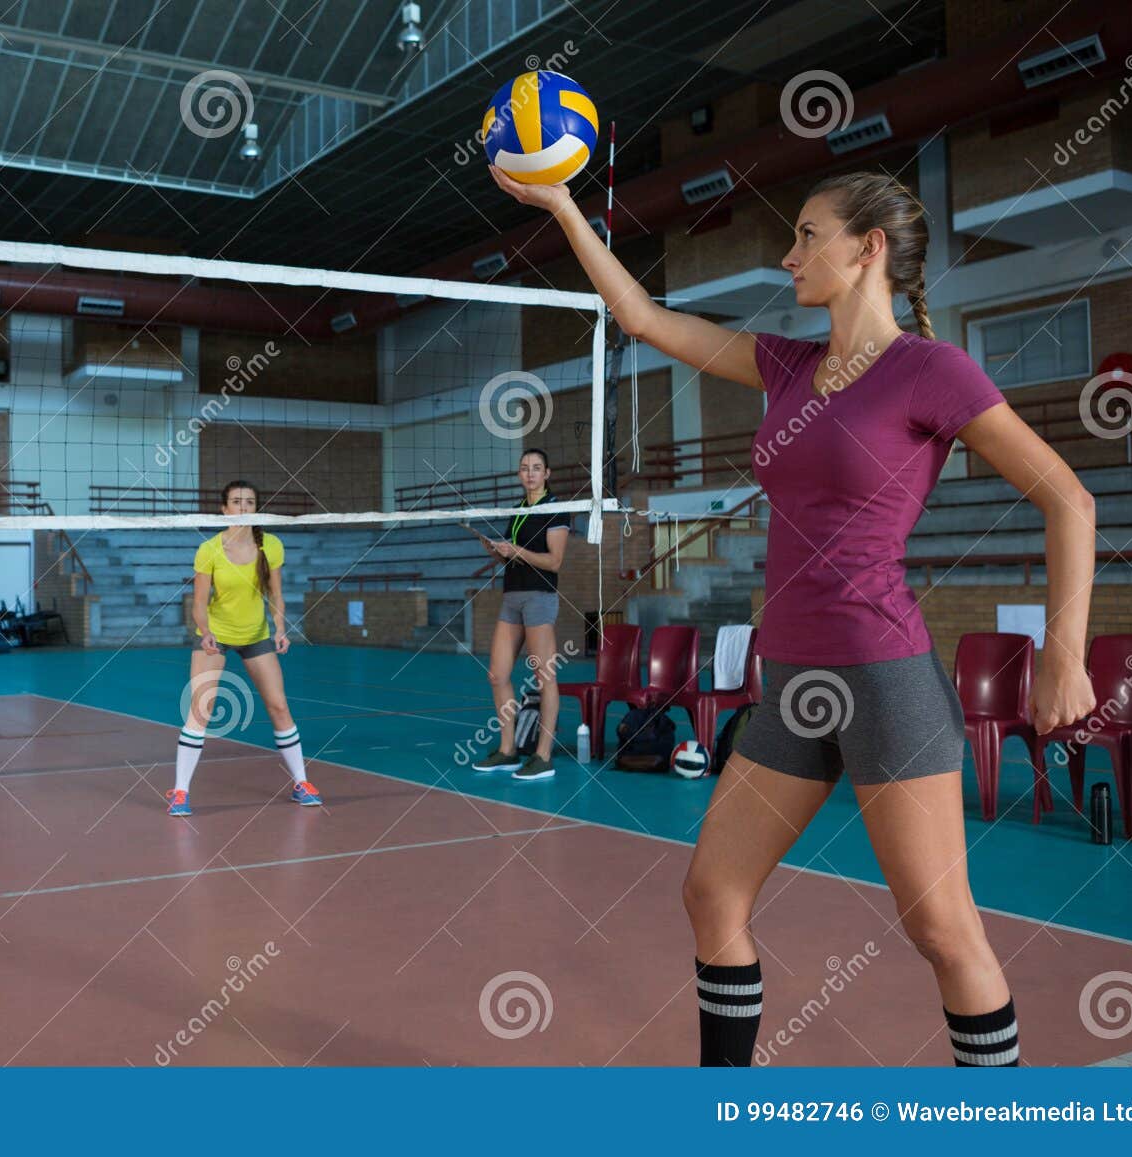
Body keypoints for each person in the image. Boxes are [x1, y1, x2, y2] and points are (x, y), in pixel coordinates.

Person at [494, 164, 1097, 1067]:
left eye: (807, 235)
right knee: (712, 894)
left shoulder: (932, 371)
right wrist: (563, 205)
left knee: (941, 930)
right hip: (793, 680)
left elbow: (1069, 501)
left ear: (870, 249)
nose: (788, 256)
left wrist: (1064, 654)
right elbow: (644, 319)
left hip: (884, 675)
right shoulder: (786, 365)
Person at [170, 481, 320, 816]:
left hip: (256, 634)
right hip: (217, 634)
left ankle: (301, 783)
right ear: (224, 509)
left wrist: (281, 628)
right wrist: (206, 631)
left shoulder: (272, 545)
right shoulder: (209, 549)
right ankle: (180, 792)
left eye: (250, 502)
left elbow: (276, 595)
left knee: (279, 707)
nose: (244, 507)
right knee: (201, 709)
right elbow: (198, 604)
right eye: (236, 502)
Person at [470, 449, 572, 781]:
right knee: (497, 675)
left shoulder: (556, 509)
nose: (530, 473)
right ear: (519, 474)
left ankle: (543, 757)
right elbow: (517, 558)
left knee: (545, 679)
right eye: (525, 468)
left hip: (540, 597)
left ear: (547, 473)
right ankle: (508, 750)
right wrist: (499, 553)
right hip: (511, 596)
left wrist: (518, 551)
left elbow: (553, 562)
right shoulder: (516, 511)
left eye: (537, 468)